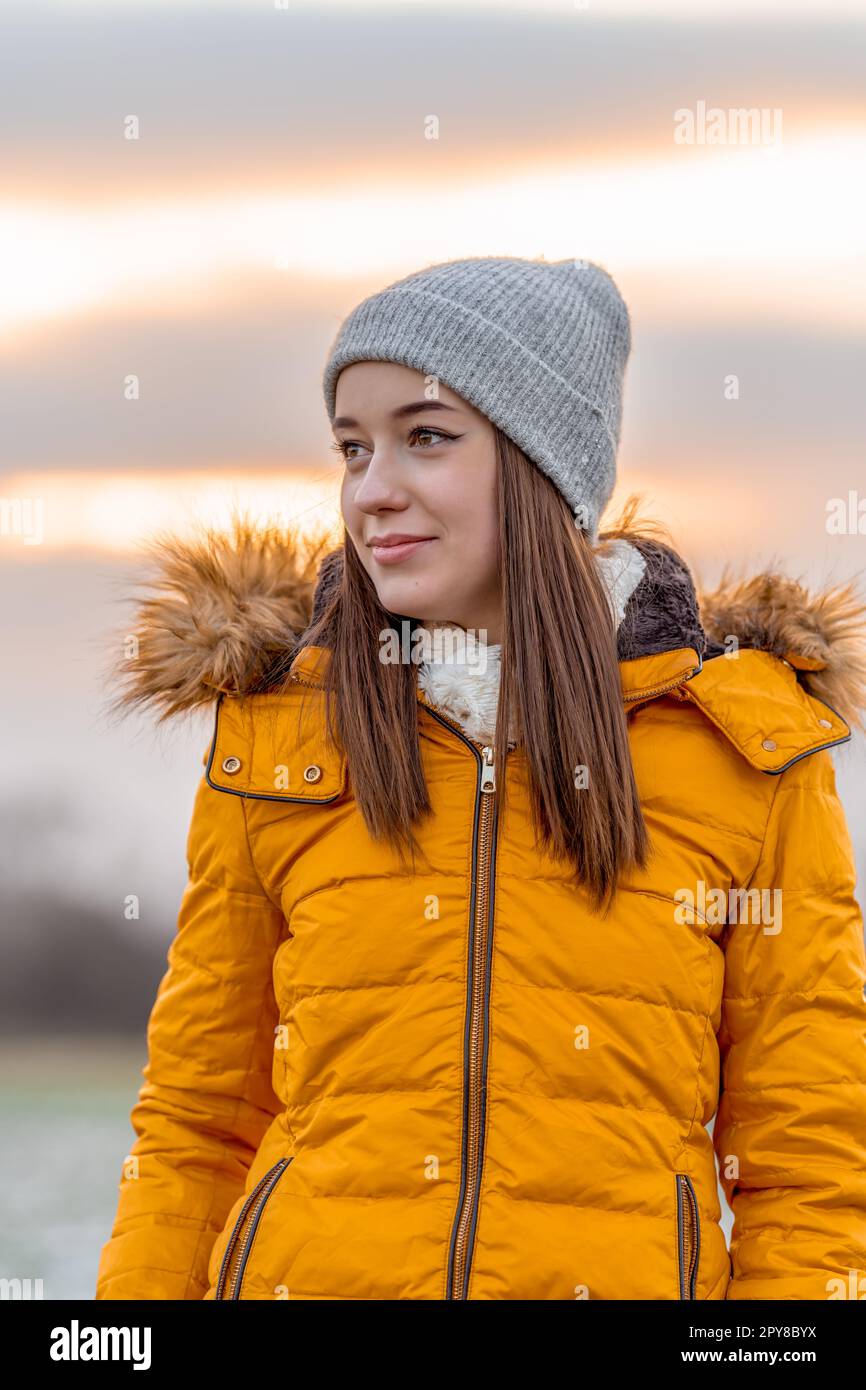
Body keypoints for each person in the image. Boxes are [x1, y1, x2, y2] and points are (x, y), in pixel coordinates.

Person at [95, 256, 866, 1301]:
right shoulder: (277, 738)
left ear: (546, 465)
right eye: (353, 448)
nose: (372, 490)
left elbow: (810, 1167)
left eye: (426, 436)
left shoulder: (746, 754)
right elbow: (196, 1125)